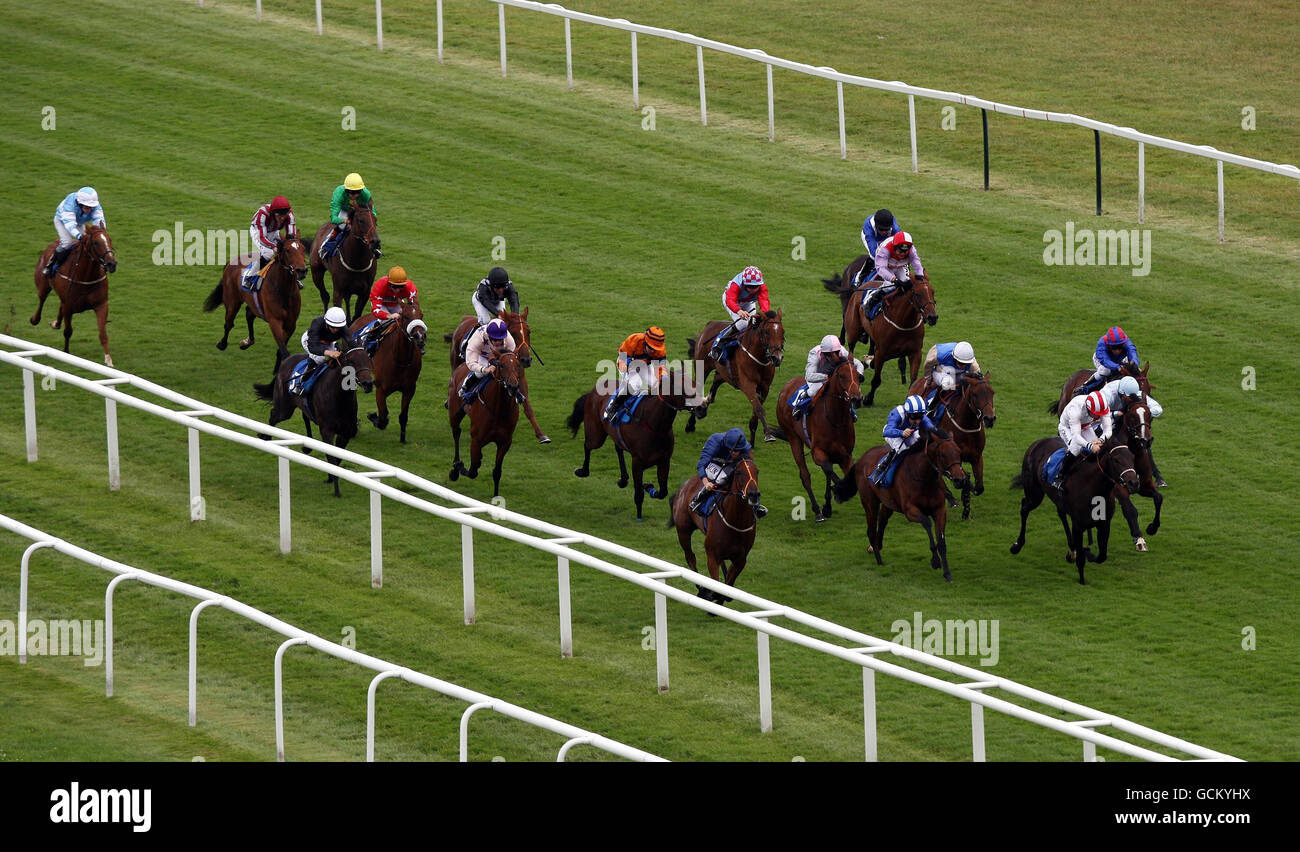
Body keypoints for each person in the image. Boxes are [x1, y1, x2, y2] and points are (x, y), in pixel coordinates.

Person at [1099, 375, 1168, 487]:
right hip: (1105, 418)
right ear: (1122, 394)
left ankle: (1156, 475)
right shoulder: (1107, 395)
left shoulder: (1134, 392)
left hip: (1128, 418)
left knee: (1143, 439)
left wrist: (1140, 411)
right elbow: (1099, 416)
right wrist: (1116, 414)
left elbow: (1158, 409)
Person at [687, 427, 768, 517]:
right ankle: (698, 499)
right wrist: (706, 483)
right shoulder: (714, 441)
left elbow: (749, 461)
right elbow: (701, 465)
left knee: (745, 475)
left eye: (738, 450)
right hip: (713, 463)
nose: (735, 453)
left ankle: (755, 505)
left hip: (730, 464)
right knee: (722, 478)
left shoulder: (744, 445)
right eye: (732, 450)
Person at [604, 326, 667, 423]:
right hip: (626, 362)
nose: (654, 351)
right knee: (635, 384)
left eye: (656, 349)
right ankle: (614, 406)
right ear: (645, 341)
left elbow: (660, 368)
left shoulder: (660, 351)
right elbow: (622, 356)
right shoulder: (634, 339)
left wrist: (663, 377)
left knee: (658, 384)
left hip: (645, 365)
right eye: (651, 348)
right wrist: (631, 366)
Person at [1052, 390, 1113, 490]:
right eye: (1096, 414)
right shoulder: (1076, 409)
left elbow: (1108, 430)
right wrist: (1090, 445)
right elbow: (1076, 436)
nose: (1099, 417)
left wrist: (1100, 440)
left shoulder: (1104, 407)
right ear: (1089, 409)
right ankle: (1059, 477)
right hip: (1067, 428)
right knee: (1076, 448)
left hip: (1085, 426)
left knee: (1099, 450)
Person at [870, 394, 936, 485]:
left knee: (920, 445)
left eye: (920, 416)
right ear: (906, 413)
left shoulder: (919, 414)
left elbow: (932, 428)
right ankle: (880, 468)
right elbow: (887, 432)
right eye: (914, 417)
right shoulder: (897, 413)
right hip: (893, 434)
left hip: (910, 432)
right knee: (903, 449)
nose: (918, 421)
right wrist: (901, 433)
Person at [708, 266, 770, 361]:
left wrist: (764, 315)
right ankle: (719, 343)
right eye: (750, 287)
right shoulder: (736, 285)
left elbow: (764, 301)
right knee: (743, 323)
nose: (753, 289)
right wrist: (738, 310)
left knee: (755, 323)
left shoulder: (762, 286)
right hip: (732, 301)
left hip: (749, 302)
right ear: (744, 284)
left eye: (755, 287)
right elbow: (730, 300)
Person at [45, 187, 106, 278]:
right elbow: (70, 225)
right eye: (86, 207)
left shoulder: (95, 206)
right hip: (62, 221)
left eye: (91, 207)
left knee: (87, 244)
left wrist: (100, 231)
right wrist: (79, 236)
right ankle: (51, 265)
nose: (89, 210)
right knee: (67, 242)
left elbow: (99, 220)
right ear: (79, 203)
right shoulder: (70, 204)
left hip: (79, 222)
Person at [792, 335, 860, 416]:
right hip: (818, 376)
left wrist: (857, 377)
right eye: (830, 355)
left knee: (845, 388)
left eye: (836, 353)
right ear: (824, 353)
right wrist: (826, 377)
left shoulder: (842, 352)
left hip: (834, 376)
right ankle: (801, 403)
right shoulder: (815, 354)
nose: (834, 357)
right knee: (814, 390)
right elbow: (809, 376)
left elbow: (859, 364)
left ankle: (850, 410)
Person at [861, 231, 925, 316]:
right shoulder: (885, 249)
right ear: (894, 247)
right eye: (900, 251)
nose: (902, 254)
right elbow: (881, 268)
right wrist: (893, 279)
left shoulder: (912, 250)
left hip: (900, 266)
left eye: (905, 251)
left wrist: (919, 274)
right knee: (890, 285)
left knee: (907, 283)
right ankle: (872, 299)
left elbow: (915, 261)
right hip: (886, 266)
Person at [292, 306, 353, 394]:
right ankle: (300, 382)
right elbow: (313, 347)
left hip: (328, 342)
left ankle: (347, 384)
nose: (336, 330)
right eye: (333, 327)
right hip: (311, 341)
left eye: (338, 327)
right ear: (326, 323)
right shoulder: (317, 323)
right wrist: (330, 353)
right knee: (320, 359)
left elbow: (351, 342)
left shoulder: (343, 327)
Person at [319, 172, 379, 260]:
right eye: (350, 192)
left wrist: (372, 220)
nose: (353, 196)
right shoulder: (338, 194)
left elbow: (372, 212)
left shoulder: (366, 194)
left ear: (361, 190)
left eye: (357, 192)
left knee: (368, 225)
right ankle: (327, 246)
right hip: (345, 210)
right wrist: (344, 220)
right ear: (346, 190)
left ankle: (375, 248)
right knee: (343, 227)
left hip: (359, 211)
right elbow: (333, 218)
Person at [458, 318, 516, 406]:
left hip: (500, 356)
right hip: (482, 355)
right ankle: (466, 385)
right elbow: (470, 362)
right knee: (481, 374)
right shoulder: (477, 339)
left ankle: (517, 393)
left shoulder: (509, 340)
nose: (498, 342)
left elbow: (511, 358)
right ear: (488, 336)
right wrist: (485, 369)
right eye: (495, 340)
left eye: (500, 339)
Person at [242, 196, 296, 290]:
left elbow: (291, 236)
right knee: (268, 253)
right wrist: (273, 246)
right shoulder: (263, 214)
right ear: (273, 213)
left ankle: (292, 275)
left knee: (290, 250)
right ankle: (249, 277)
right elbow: (262, 237)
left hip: (274, 231)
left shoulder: (289, 215)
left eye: (284, 215)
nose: (282, 218)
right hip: (258, 232)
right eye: (279, 215)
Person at [1074, 326, 1139, 397]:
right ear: (1108, 344)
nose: (1117, 351)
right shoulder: (1101, 344)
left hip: (1120, 359)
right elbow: (1105, 360)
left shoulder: (1126, 342)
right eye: (1114, 347)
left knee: (1134, 370)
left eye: (1120, 347)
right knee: (1105, 371)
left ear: (1124, 343)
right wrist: (1117, 367)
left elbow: (1132, 352)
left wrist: (1134, 362)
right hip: (1101, 360)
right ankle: (1085, 387)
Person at [851, 208, 900, 287]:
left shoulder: (895, 228)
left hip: (888, 237)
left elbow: (899, 244)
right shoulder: (869, 226)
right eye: (881, 229)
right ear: (876, 226)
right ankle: (859, 278)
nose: (884, 232)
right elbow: (874, 252)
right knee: (874, 256)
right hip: (872, 237)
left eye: (886, 229)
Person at [916, 341, 981, 399]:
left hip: (959, 373)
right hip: (941, 371)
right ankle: (932, 405)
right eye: (960, 363)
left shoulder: (973, 364)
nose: (963, 366)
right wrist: (928, 381)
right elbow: (928, 365)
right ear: (954, 358)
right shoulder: (939, 355)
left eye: (965, 364)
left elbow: (978, 379)